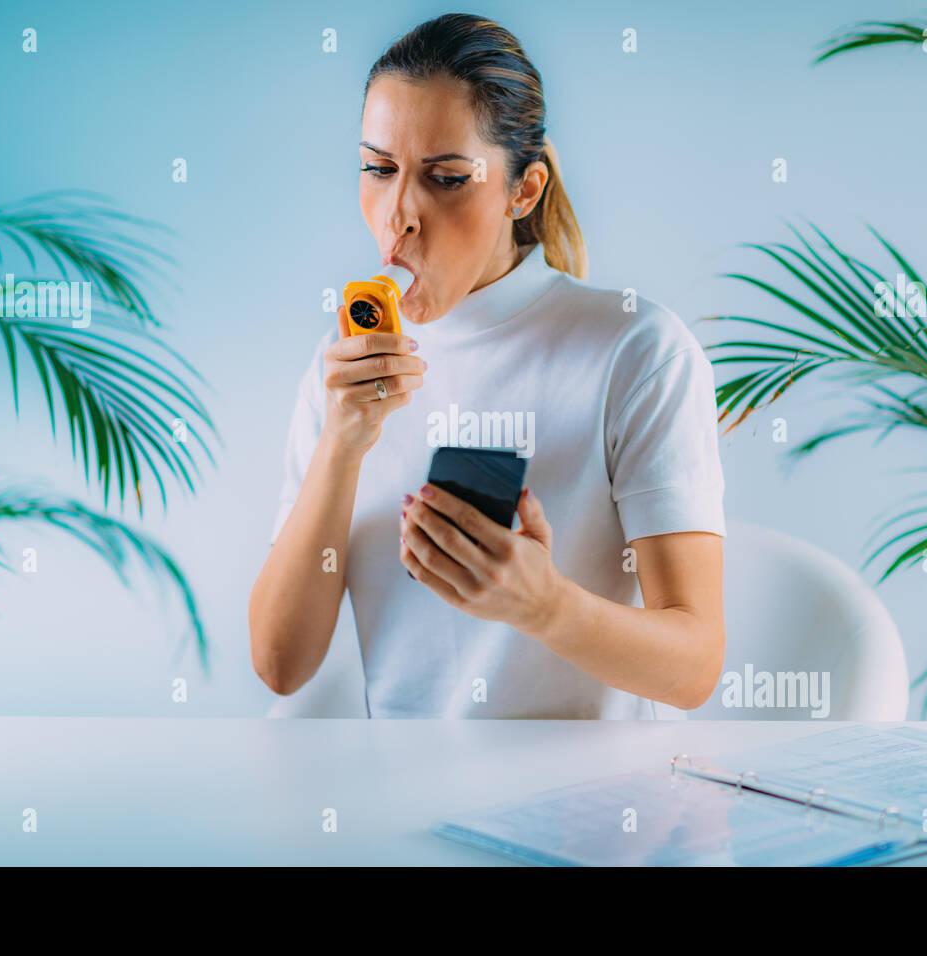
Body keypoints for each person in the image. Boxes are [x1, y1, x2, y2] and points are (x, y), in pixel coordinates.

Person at [249, 13, 725, 718]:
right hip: (400, 803)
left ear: (523, 191)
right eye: (378, 169)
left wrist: (544, 606)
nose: (397, 214)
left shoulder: (637, 350)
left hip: (588, 812)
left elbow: (694, 667)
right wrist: (342, 441)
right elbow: (282, 666)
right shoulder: (342, 367)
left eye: (445, 179)